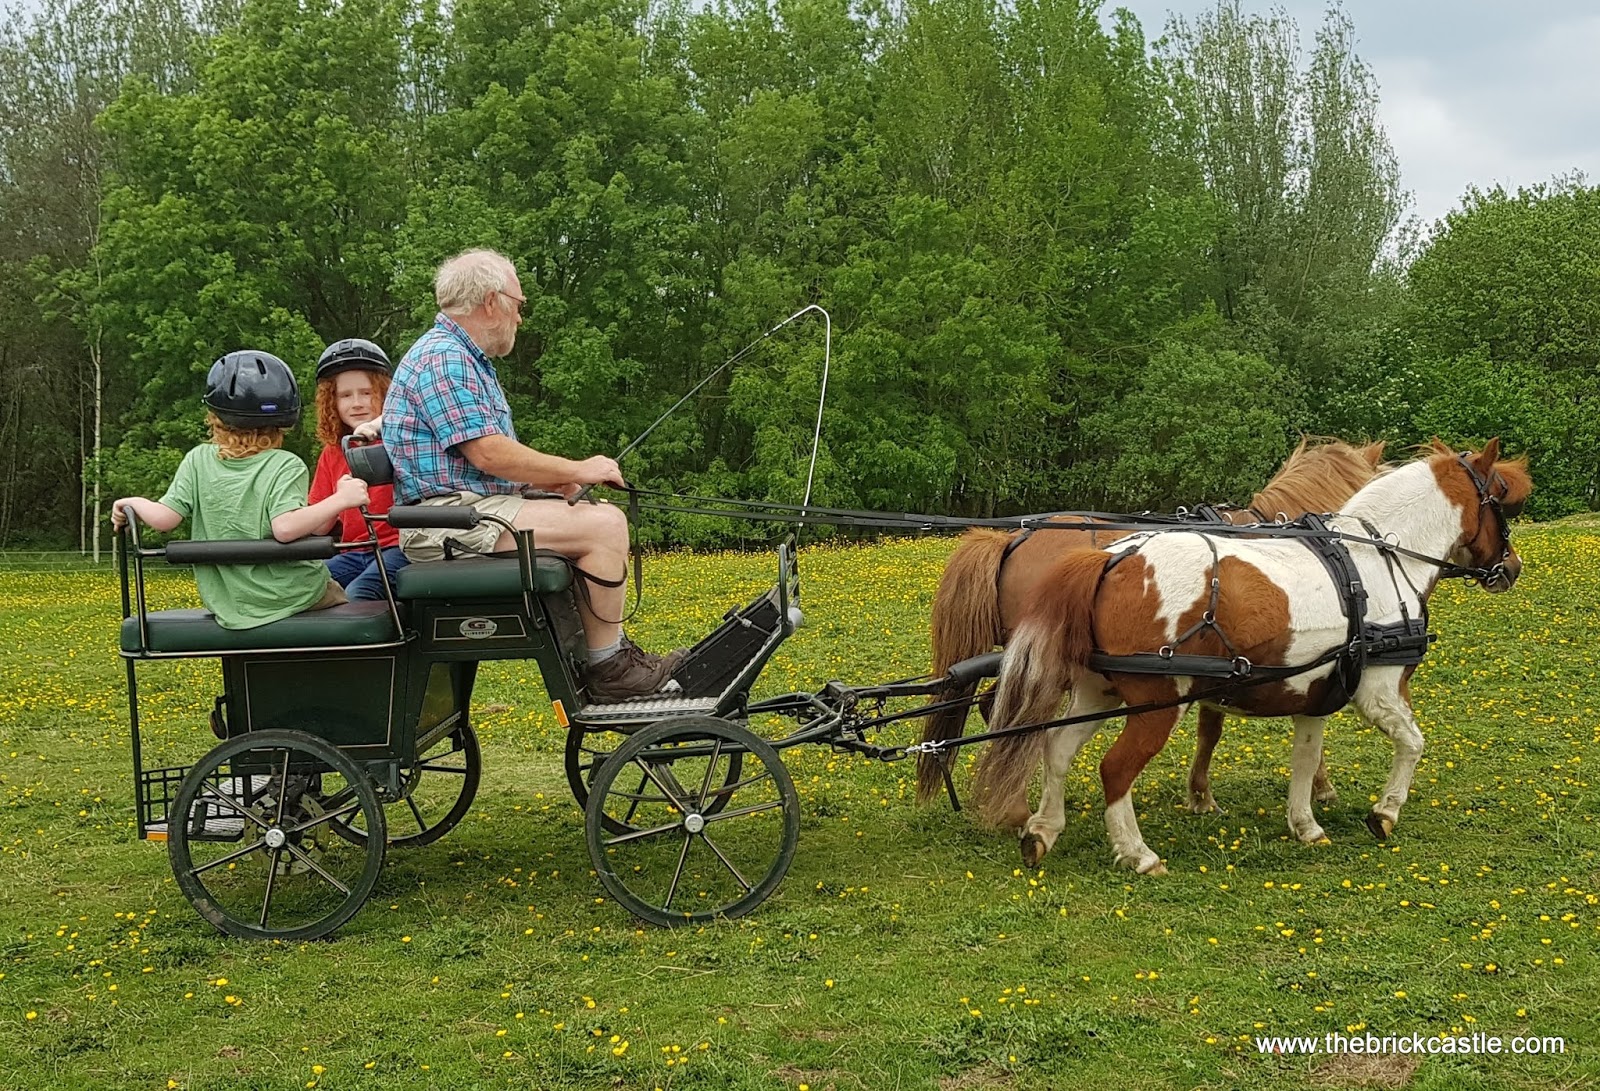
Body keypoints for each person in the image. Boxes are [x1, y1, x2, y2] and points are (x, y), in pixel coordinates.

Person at [384, 248, 684, 700]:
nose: (520, 318)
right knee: (605, 527)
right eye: (519, 305)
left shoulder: (463, 359)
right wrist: (579, 468)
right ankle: (608, 668)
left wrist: (553, 482)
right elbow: (488, 453)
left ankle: (603, 657)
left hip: (466, 511)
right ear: (491, 302)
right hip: (445, 521)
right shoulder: (444, 358)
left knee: (592, 513)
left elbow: (481, 463)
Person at [110, 350, 370, 630]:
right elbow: (284, 528)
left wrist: (132, 502)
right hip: (292, 594)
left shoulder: (197, 459)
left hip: (229, 603)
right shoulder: (286, 464)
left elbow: (164, 519)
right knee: (347, 601)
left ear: (215, 416)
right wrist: (341, 499)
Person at [309, 337, 409, 600]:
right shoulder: (332, 452)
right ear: (332, 402)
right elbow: (319, 528)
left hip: (399, 547)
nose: (357, 403)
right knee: (303, 586)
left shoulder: (401, 439)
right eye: (345, 395)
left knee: (358, 594)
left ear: (385, 394)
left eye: (366, 393)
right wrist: (338, 500)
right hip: (353, 551)